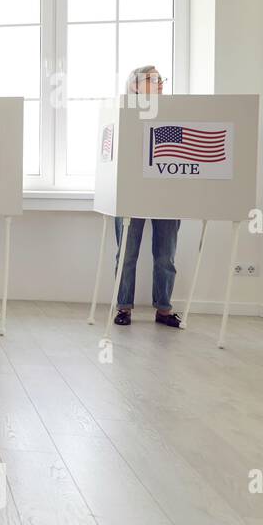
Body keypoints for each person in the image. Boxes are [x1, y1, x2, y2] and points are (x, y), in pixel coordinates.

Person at [114, 65, 181, 328]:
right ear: (134, 85)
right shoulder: (121, 113)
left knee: (166, 255)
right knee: (127, 254)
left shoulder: (176, 112)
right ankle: (123, 309)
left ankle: (164, 309)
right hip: (130, 191)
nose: (160, 83)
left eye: (161, 79)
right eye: (153, 79)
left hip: (167, 192)